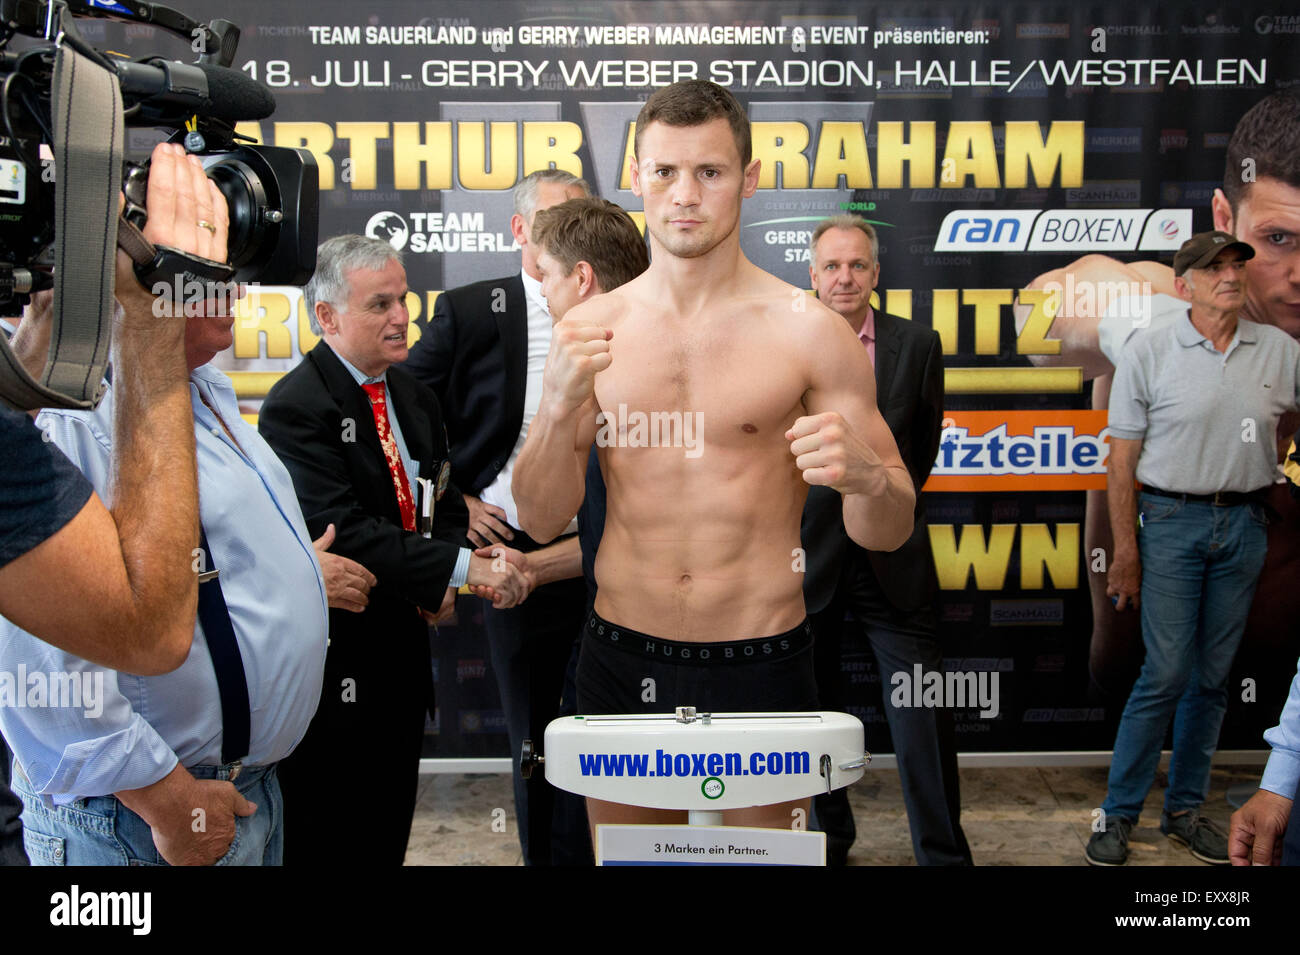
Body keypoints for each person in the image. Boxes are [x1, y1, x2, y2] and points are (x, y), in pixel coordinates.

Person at [512, 79, 913, 836]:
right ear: (635, 177)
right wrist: (559, 406)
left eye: (710, 172)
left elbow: (887, 528)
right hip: (623, 653)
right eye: (664, 171)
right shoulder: (591, 330)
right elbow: (538, 515)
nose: (684, 195)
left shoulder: (809, 331)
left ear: (750, 178)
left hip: (763, 656)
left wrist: (864, 478)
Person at [0, 144, 374, 867]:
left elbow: (180, 548)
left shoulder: (199, 385)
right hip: (146, 823)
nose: (235, 281)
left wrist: (283, 574)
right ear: (133, 271)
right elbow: (43, 664)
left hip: (235, 795)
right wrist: (167, 802)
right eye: (205, 256)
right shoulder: (80, 410)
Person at [257, 235, 529, 865]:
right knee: (329, 839)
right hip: (334, 669)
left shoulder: (414, 396)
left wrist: (441, 571)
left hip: (404, 660)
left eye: (403, 299)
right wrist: (463, 570)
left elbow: (436, 500)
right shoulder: (297, 407)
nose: (402, 316)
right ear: (327, 317)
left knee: (386, 833)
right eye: (380, 304)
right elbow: (345, 531)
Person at [1019, 91, 1300, 698]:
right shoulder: (1170, 302)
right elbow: (1038, 315)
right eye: (1279, 240)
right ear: (1225, 220)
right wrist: (1144, 327)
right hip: (1148, 711)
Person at [0, 142, 217, 864]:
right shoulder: (94, 394)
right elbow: (146, 633)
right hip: (107, 822)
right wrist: (150, 324)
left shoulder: (212, 390)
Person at [1084, 231, 1300, 866]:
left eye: (1236, 265)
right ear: (1184, 287)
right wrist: (1126, 551)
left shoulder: (1281, 351)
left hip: (1245, 523)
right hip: (1170, 521)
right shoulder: (1150, 349)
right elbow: (1120, 462)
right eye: (1214, 268)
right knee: (1167, 673)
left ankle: (1183, 812)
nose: (1229, 275)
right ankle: (1118, 814)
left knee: (1211, 679)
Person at [400, 169, 593, 866]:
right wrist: (454, 502)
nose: (570, 237)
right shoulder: (474, 310)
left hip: (616, 550)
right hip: (513, 556)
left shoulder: (627, 307)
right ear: (518, 231)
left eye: (582, 220)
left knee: (618, 734)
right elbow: (397, 409)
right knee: (539, 735)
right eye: (552, 222)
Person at [801, 215, 970, 866]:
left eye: (858, 265)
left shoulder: (917, 343)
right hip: (807, 560)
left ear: (876, 273)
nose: (845, 276)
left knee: (922, 714)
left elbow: (918, 454)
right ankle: (829, 844)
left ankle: (943, 854)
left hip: (894, 558)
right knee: (813, 716)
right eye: (832, 266)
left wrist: (883, 505)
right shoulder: (781, 340)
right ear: (812, 275)